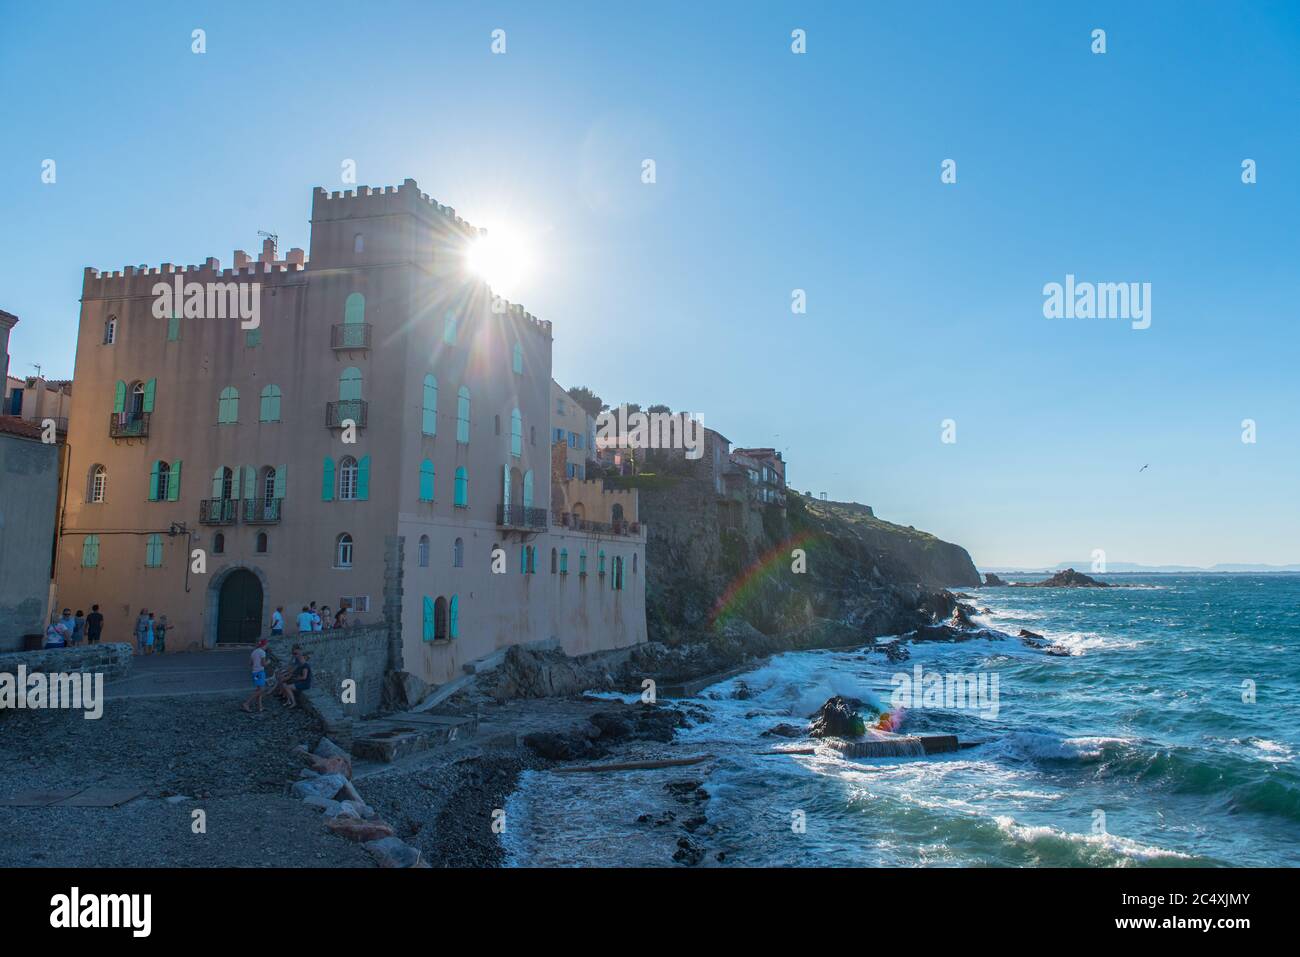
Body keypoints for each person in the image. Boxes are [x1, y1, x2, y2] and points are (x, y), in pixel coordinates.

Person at [241, 639, 270, 713]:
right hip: (260, 672)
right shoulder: (262, 652)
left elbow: (250, 663)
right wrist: (268, 662)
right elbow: (263, 664)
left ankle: (260, 707)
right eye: (267, 645)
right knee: (262, 689)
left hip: (254, 673)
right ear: (265, 645)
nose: (267, 646)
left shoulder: (254, 651)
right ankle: (246, 703)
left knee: (258, 689)